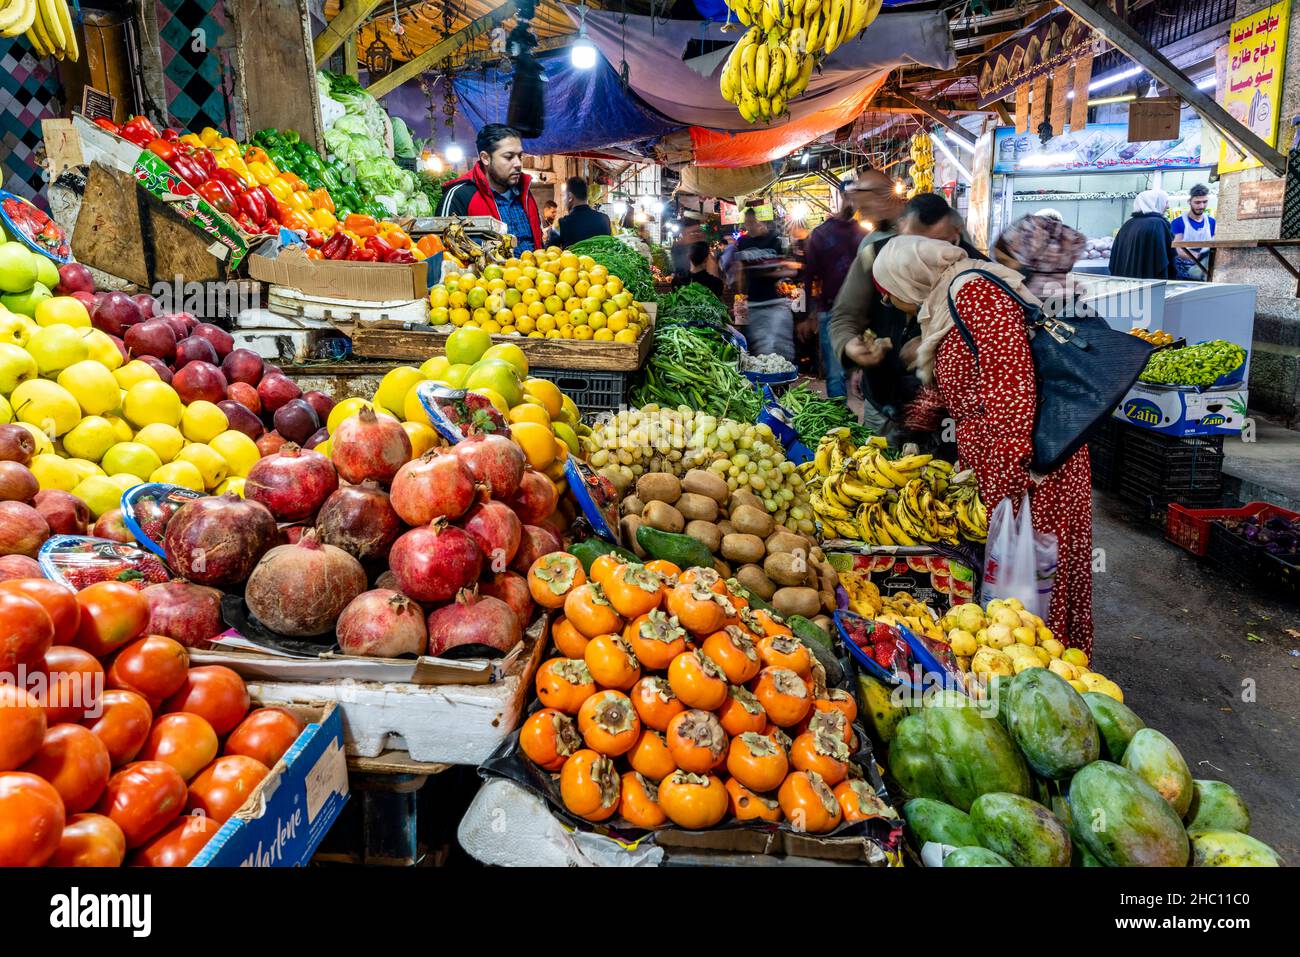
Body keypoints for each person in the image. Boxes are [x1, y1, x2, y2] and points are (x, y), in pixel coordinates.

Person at [871, 227, 1093, 653]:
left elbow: (1012, 392)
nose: (888, 302)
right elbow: (962, 379)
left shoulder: (976, 295)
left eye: (887, 291)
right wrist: (912, 425)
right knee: (1009, 593)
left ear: (908, 278)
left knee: (1032, 587)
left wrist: (1005, 490)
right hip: (998, 462)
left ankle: (1050, 679)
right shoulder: (948, 302)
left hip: (1032, 470)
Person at [829, 185, 981, 429]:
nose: (919, 253)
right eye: (911, 241)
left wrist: (936, 346)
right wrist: (850, 347)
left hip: (948, 419)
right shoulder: (875, 257)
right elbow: (844, 316)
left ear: (955, 233)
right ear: (900, 230)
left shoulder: (977, 274)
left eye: (934, 244)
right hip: (882, 401)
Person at [437, 123, 544, 252]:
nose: (518, 163)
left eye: (520, 156)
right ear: (486, 158)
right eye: (509, 157)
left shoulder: (525, 194)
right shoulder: (459, 196)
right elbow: (444, 253)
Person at [800, 201, 860, 398]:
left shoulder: (863, 233)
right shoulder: (821, 233)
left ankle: (850, 420)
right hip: (832, 310)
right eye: (848, 195)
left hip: (858, 312)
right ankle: (840, 424)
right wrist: (809, 314)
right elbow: (810, 276)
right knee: (836, 373)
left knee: (852, 372)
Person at [730, 205, 797, 360]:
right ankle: (769, 383)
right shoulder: (743, 242)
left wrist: (772, 272)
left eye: (752, 222)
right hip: (755, 304)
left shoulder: (774, 239)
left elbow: (787, 268)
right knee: (763, 350)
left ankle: (782, 380)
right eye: (747, 223)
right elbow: (740, 271)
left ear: (757, 220)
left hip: (776, 302)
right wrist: (740, 297)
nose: (750, 226)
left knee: (781, 349)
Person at [1108, 189, 1176, 280]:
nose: (1168, 206)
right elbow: (1167, 256)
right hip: (1150, 285)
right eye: (1166, 202)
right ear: (1155, 203)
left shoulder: (1128, 224)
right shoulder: (1158, 224)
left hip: (1126, 285)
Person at [547, 177, 612, 249]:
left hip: (573, 260)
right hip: (602, 260)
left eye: (564, 196)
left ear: (570, 196)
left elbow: (549, 252)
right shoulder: (605, 219)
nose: (564, 200)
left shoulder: (560, 224)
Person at [1171, 184, 1215, 280]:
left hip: (1204, 269)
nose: (1201, 206)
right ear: (1189, 202)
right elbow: (1177, 250)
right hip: (1182, 270)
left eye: (1205, 202)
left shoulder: (1212, 222)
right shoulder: (1178, 222)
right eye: (1197, 202)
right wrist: (1199, 256)